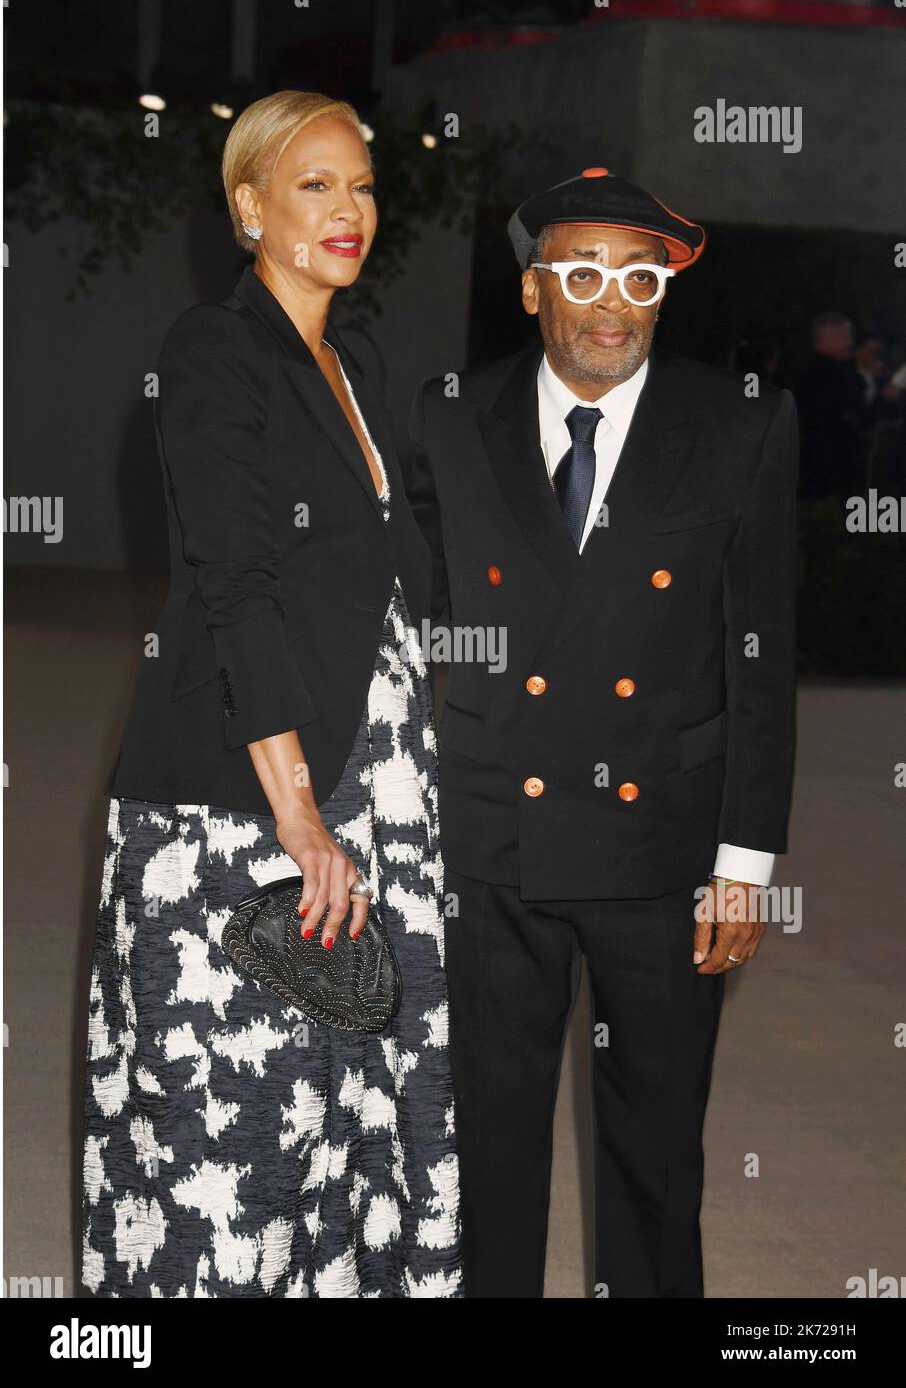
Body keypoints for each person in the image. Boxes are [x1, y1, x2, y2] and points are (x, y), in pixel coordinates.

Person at [81, 90, 462, 1299]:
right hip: (243, 799)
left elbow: (396, 583)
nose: (348, 210)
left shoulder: (355, 357)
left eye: (360, 185)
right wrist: (298, 814)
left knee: (347, 1122)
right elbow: (239, 585)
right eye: (314, 185)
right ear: (249, 207)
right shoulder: (214, 349)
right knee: (232, 1139)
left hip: (376, 784)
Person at [407, 167, 798, 1297]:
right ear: (533, 291)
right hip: (492, 838)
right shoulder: (449, 415)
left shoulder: (740, 423)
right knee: (489, 1143)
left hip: (663, 847)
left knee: (658, 1150)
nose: (612, 301)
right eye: (581, 272)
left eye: (640, 275)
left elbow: (761, 654)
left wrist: (745, 862)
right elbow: (410, 615)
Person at [795, 310, 865, 499]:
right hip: (828, 465)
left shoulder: (832, 369)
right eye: (844, 336)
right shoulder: (821, 373)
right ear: (827, 337)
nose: (849, 342)